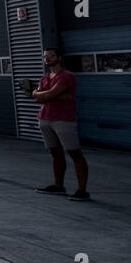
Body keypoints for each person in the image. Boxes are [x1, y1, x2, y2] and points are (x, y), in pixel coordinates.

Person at [32, 47, 89, 201]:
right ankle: (59, 187)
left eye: (51, 56)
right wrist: (45, 95)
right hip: (44, 118)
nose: (48, 59)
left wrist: (42, 94)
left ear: (59, 58)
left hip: (63, 120)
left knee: (74, 153)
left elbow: (47, 94)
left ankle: (82, 191)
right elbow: (36, 97)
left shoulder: (66, 76)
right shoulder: (45, 77)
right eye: (45, 56)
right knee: (55, 153)